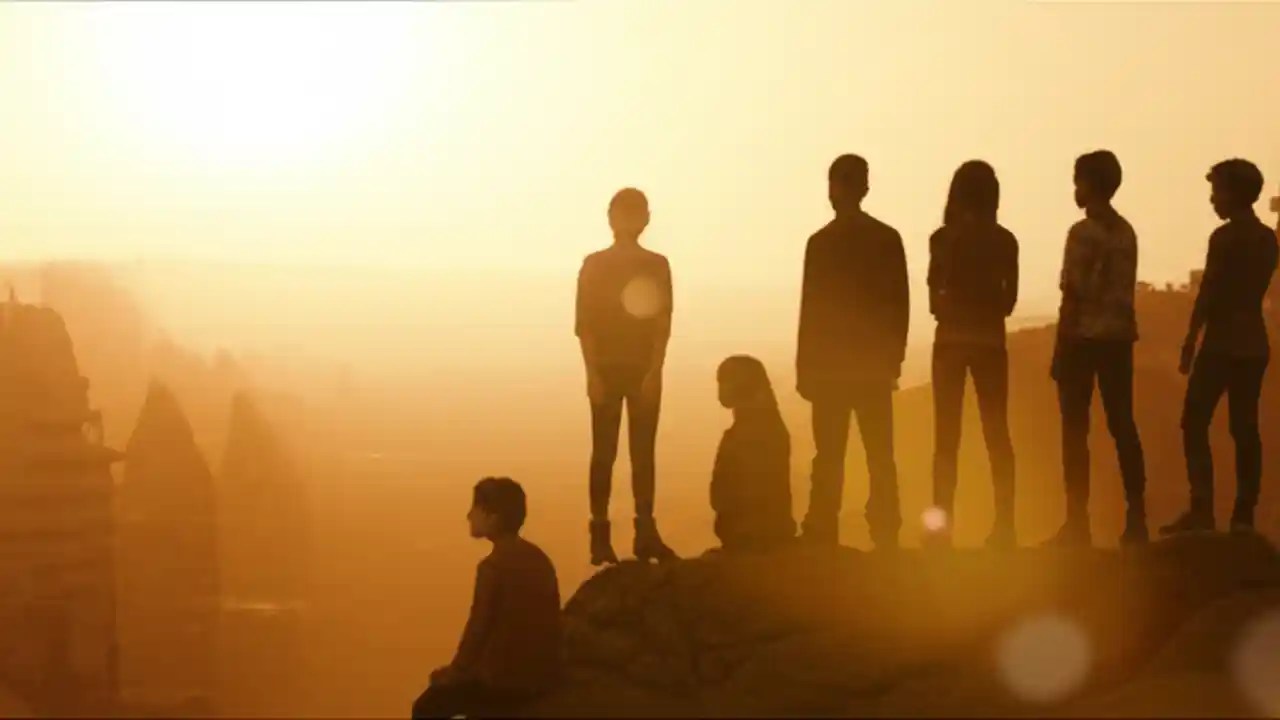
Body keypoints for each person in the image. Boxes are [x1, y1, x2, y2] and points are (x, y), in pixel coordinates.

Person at [796, 154, 909, 550]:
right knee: (879, 454)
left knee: (829, 454)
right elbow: (900, 306)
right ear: (865, 187)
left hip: (831, 369)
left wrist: (805, 368)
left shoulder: (821, 243)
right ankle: (886, 530)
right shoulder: (886, 239)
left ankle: (822, 528)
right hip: (872, 367)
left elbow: (811, 310)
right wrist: (894, 359)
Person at [1163, 160, 1278, 537]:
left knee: (1194, 421)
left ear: (1235, 194)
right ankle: (1244, 515)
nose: (1213, 199)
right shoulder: (1267, 239)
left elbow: (1209, 292)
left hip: (1221, 343)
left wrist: (1190, 339)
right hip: (1254, 343)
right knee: (1244, 428)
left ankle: (1202, 508)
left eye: (1217, 191)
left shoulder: (1224, 238)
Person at [1048, 150, 1148, 547]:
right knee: (1123, 426)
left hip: (1082, 339)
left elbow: (1072, 293)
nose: (1074, 189)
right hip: (1119, 340)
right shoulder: (1126, 233)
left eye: (1078, 181)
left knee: (1075, 432)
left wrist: (1060, 347)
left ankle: (1077, 523)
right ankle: (1136, 518)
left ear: (1089, 184)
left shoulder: (1082, 233)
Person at [575, 188, 677, 565]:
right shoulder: (595, 265)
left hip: (638, 368)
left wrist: (654, 371)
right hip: (610, 367)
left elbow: (662, 322)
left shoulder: (656, 265)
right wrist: (592, 374)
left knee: (640, 452)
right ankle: (601, 535)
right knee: (606, 453)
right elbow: (585, 324)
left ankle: (643, 531)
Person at [412, 477, 562, 719]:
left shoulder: (492, 567)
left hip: (504, 683)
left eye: (475, 508)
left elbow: (478, 628)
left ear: (493, 518)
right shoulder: (540, 559)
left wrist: (455, 672)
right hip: (540, 677)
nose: (468, 516)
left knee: (425, 708)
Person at [927, 161, 1019, 549]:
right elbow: (1010, 300)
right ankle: (1005, 526)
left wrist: (953, 308)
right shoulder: (1005, 241)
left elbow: (934, 298)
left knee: (946, 438)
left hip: (950, 342)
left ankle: (940, 529)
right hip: (991, 343)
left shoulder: (942, 239)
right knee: (996, 434)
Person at [711, 355, 797, 553]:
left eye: (725, 381)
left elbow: (724, 493)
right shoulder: (772, 429)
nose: (720, 389)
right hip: (767, 532)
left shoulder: (744, 436)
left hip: (747, 536)